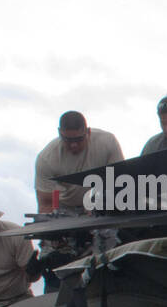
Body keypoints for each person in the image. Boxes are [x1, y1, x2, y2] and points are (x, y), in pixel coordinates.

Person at [34, 111, 124, 287]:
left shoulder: (107, 143)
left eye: (79, 140)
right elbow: (46, 203)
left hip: (101, 205)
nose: (74, 145)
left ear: (87, 132)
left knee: (112, 250)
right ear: (60, 133)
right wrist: (53, 230)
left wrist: (100, 208)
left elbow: (120, 183)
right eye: (68, 141)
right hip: (66, 209)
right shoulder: (47, 158)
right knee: (52, 255)